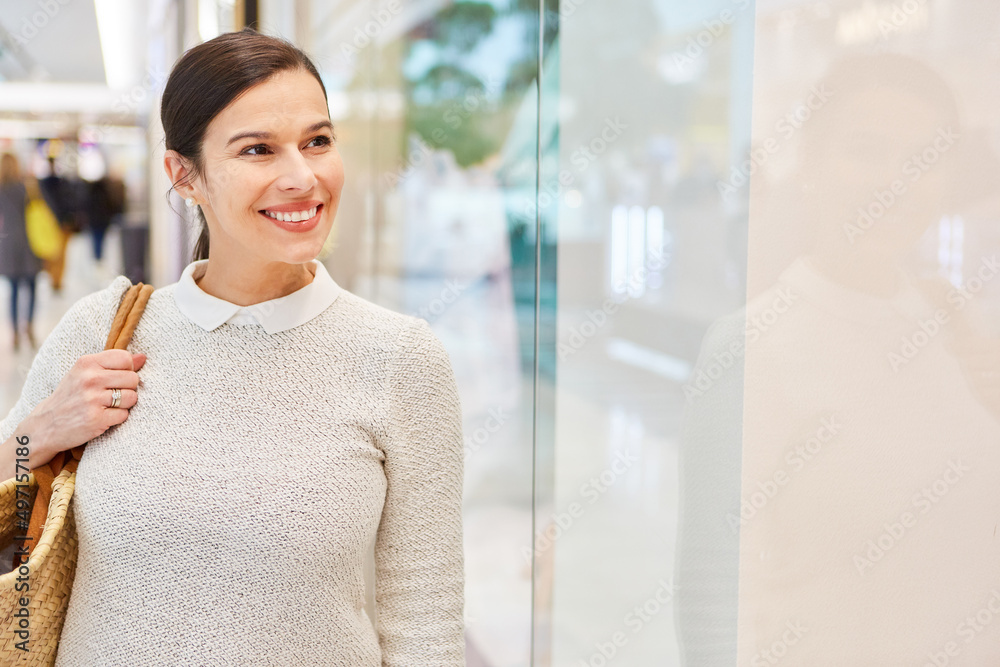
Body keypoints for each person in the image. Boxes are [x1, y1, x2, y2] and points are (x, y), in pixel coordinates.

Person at [0, 28, 465, 665]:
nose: (302, 176)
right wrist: (39, 432)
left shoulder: (399, 358)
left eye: (317, 141)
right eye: (258, 150)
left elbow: (425, 625)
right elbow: (11, 490)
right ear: (183, 175)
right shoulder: (102, 329)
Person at [0, 152, 42, 350]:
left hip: (8, 243)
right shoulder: (27, 187)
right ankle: (29, 326)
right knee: (32, 286)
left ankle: (15, 332)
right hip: (29, 242)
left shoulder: (1, 189)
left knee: (13, 289)